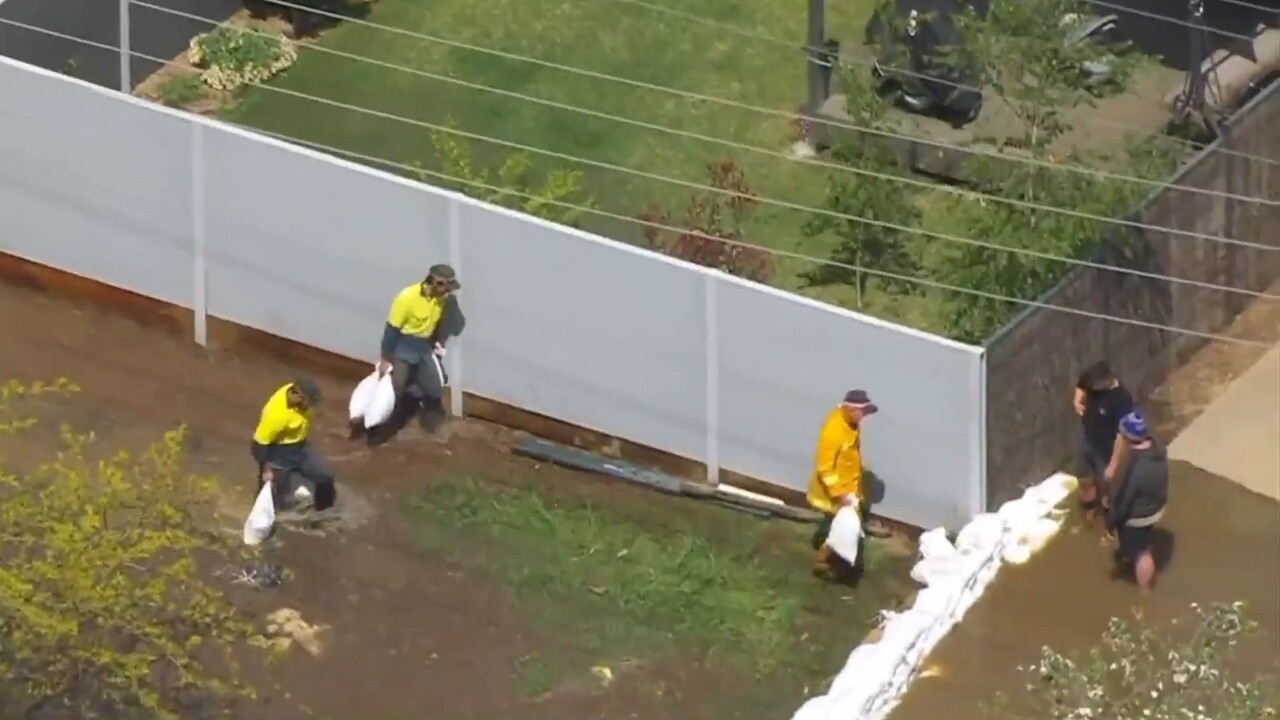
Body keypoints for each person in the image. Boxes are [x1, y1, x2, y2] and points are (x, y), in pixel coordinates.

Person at [372, 264, 466, 435]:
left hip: (425, 346)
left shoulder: (443, 300)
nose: (449, 291)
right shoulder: (407, 297)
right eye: (446, 286)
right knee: (396, 385)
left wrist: (439, 341)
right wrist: (386, 358)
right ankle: (386, 420)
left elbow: (451, 324)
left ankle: (421, 405)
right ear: (435, 282)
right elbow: (392, 329)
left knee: (436, 384)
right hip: (404, 344)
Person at [807, 389, 879, 581]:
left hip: (848, 490)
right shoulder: (834, 430)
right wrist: (841, 495)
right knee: (838, 529)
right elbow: (824, 468)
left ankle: (830, 562)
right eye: (862, 413)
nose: (863, 418)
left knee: (839, 528)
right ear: (850, 409)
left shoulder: (851, 424)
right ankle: (825, 562)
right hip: (834, 495)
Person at [251, 377, 337, 513]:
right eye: (309, 404)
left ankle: (323, 511)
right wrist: (266, 470)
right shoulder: (276, 415)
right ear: (298, 397)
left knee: (325, 476)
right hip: (279, 454)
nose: (310, 408)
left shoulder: (295, 390)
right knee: (275, 499)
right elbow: (258, 445)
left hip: (301, 446)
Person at [1106, 410, 1168, 593]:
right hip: (1156, 506)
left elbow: (1124, 500)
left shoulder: (1136, 469)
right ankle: (1134, 555)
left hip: (1138, 516)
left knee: (1142, 553)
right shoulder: (1157, 449)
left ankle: (1144, 591)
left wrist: (1112, 521)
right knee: (1143, 542)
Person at [1072, 361, 1134, 523]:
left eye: (1095, 386)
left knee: (1109, 487)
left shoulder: (1122, 400)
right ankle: (1090, 507)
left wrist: (1113, 465)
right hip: (1087, 438)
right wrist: (1077, 401)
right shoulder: (1093, 376)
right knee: (1083, 477)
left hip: (1107, 447)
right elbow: (1081, 385)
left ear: (1107, 380)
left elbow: (1123, 436)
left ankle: (1112, 521)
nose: (1092, 389)